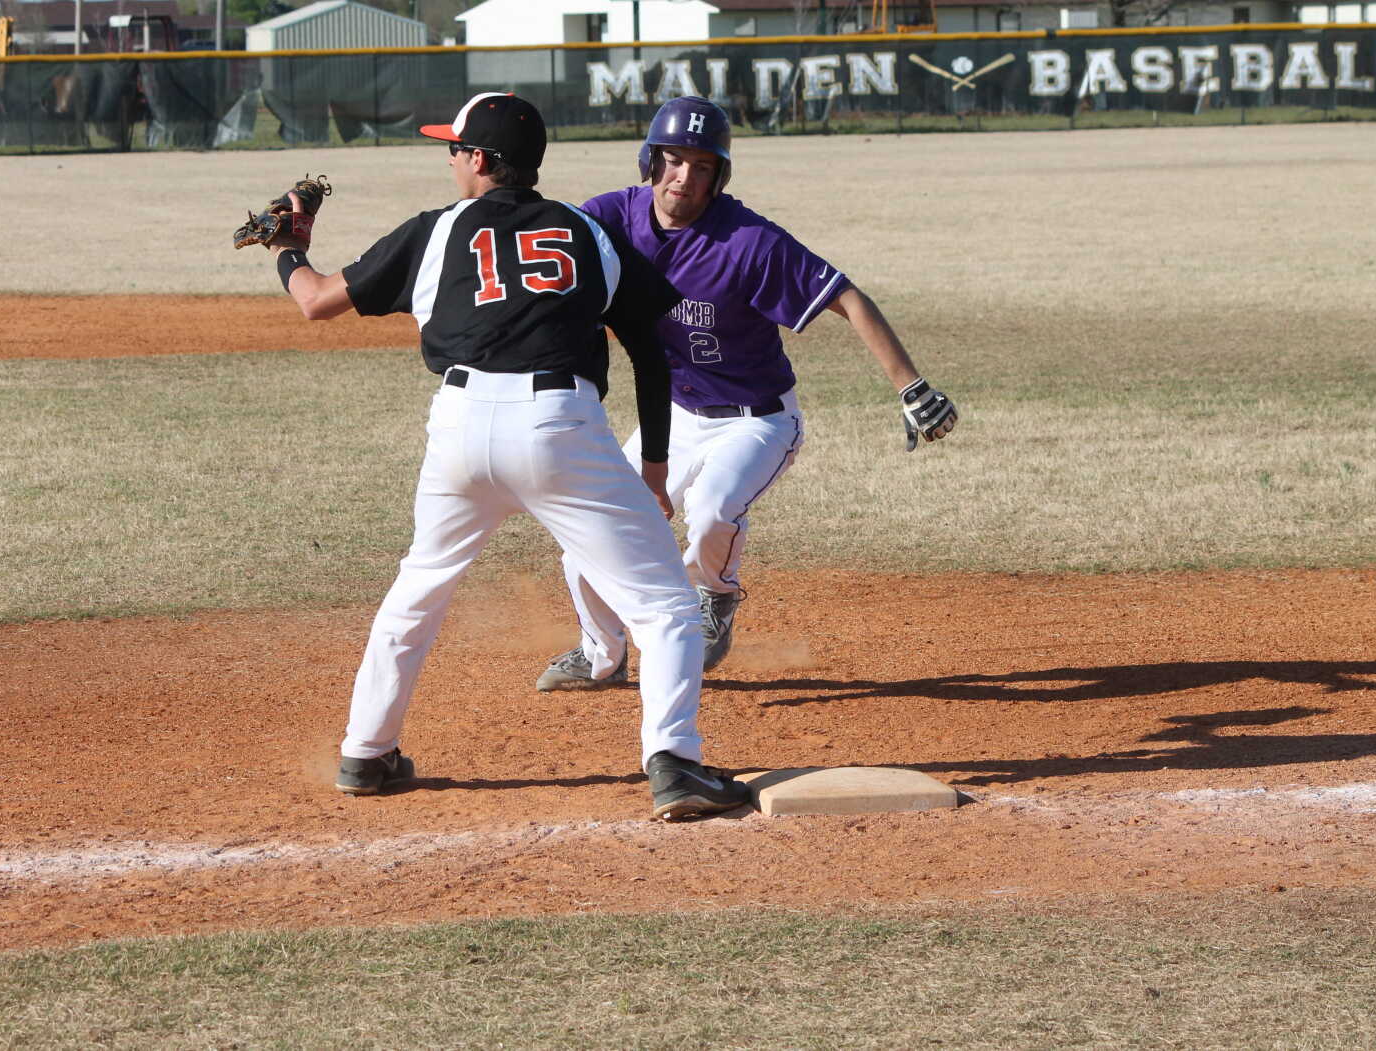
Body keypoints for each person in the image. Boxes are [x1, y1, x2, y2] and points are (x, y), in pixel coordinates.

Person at [268, 92, 752, 820]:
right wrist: (654, 468)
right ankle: (676, 763)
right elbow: (651, 350)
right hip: (559, 425)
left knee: (419, 588)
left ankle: (366, 754)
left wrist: (287, 247)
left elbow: (314, 300)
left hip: (459, 425)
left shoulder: (436, 231)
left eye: (456, 149)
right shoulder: (588, 232)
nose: (452, 160)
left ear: (483, 161)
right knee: (664, 606)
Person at [536, 95, 958, 691]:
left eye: (703, 166)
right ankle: (601, 653)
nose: (685, 177)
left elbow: (847, 297)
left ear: (719, 176)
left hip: (758, 421)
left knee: (711, 508)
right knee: (589, 533)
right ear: (650, 160)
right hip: (677, 415)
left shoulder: (749, 241)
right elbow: (542, 246)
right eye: (675, 160)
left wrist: (910, 385)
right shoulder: (610, 218)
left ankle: (716, 596)